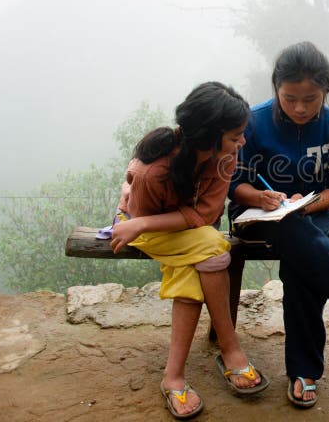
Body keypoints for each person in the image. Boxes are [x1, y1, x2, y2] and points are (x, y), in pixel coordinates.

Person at [228, 41, 329, 409]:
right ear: (276, 89)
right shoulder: (253, 121)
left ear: (325, 91)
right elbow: (234, 184)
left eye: (310, 99)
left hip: (313, 216)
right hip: (256, 217)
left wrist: (306, 205)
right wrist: (262, 198)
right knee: (298, 238)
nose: (299, 107)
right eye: (289, 97)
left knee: (301, 260)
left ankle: (303, 373)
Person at [110, 82, 268, 419]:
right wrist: (137, 224)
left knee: (202, 257)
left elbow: (208, 214)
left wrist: (175, 224)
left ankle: (173, 377)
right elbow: (141, 219)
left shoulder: (225, 157)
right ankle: (230, 350)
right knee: (212, 249)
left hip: (192, 231)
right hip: (142, 227)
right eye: (234, 136)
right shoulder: (153, 172)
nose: (242, 142)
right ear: (207, 136)